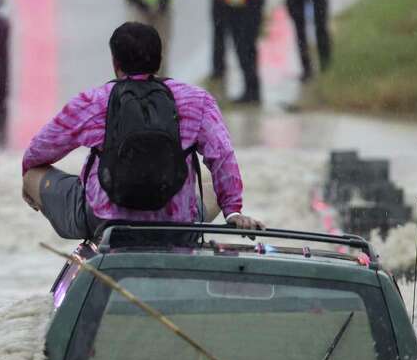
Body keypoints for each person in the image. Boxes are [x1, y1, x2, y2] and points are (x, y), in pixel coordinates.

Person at [21, 22, 264, 242]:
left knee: (32, 173)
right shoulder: (196, 100)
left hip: (105, 222)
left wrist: (29, 185)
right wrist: (233, 210)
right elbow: (222, 156)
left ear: (115, 63)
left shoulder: (93, 102)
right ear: (159, 60)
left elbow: (37, 153)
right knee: (212, 183)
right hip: (177, 224)